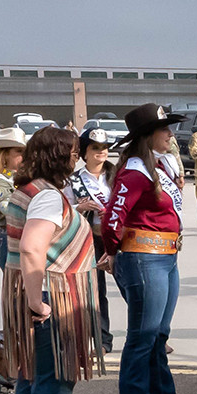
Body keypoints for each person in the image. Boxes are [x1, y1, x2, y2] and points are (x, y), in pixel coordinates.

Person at [3, 126, 103, 394]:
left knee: (31, 378)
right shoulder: (47, 196)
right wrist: (36, 303)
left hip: (32, 291)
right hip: (50, 295)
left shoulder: (28, 190)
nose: (77, 158)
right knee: (53, 381)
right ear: (59, 156)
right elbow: (33, 247)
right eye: (74, 153)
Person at [100, 103, 197, 394]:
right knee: (142, 338)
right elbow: (112, 217)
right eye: (165, 129)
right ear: (149, 135)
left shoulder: (151, 166)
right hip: (144, 257)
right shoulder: (134, 171)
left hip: (162, 255)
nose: (171, 134)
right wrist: (112, 252)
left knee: (157, 335)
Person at [68, 128, 116, 352]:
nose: (101, 152)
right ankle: (101, 340)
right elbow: (63, 209)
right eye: (95, 148)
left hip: (119, 239)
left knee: (134, 289)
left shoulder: (117, 175)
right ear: (84, 153)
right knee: (96, 292)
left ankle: (154, 336)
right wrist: (80, 207)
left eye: (104, 148)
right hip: (91, 240)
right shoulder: (74, 181)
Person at [0, 131, 27, 269]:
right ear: (5, 155)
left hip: (27, 235)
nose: (24, 156)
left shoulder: (25, 178)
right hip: (9, 237)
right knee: (15, 286)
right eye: (19, 151)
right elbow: (9, 209)